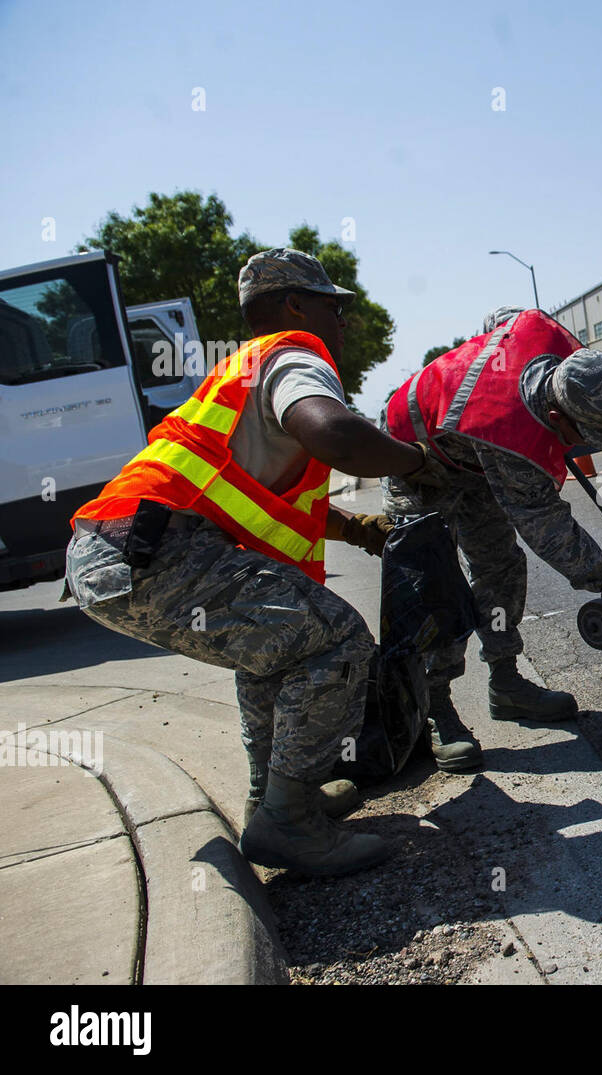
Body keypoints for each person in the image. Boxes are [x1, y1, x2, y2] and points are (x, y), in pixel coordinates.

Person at [64, 248, 446, 877]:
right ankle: (288, 820)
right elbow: (335, 434)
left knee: (277, 650)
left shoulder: (238, 374)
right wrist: (417, 462)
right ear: (295, 305)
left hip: (119, 551)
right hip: (151, 551)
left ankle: (270, 806)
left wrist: (360, 530)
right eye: (333, 305)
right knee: (340, 641)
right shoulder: (295, 355)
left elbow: (251, 495)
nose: (344, 320)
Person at [381, 305, 602, 771]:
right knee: (435, 583)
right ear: (556, 413)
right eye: (587, 435)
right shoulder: (507, 429)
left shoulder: (563, 353)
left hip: (470, 456)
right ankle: (434, 704)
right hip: (412, 459)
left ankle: (506, 683)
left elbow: (505, 319)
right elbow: (553, 536)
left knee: (499, 566)